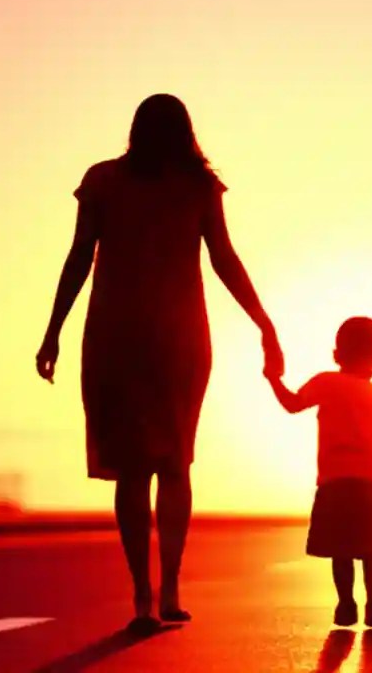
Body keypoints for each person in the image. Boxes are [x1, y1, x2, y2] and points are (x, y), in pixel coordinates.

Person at [36, 93, 284, 635]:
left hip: (119, 336)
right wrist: (263, 322)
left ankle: (144, 595)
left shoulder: (105, 180)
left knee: (135, 468)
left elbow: (80, 256)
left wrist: (53, 330)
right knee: (174, 463)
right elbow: (223, 258)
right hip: (176, 338)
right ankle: (167, 587)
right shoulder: (195, 186)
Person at [265, 316, 372, 627]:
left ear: (336, 354)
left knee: (341, 550)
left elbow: (292, 404)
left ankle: (345, 605)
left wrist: (274, 379)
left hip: (335, 484)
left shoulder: (326, 382)